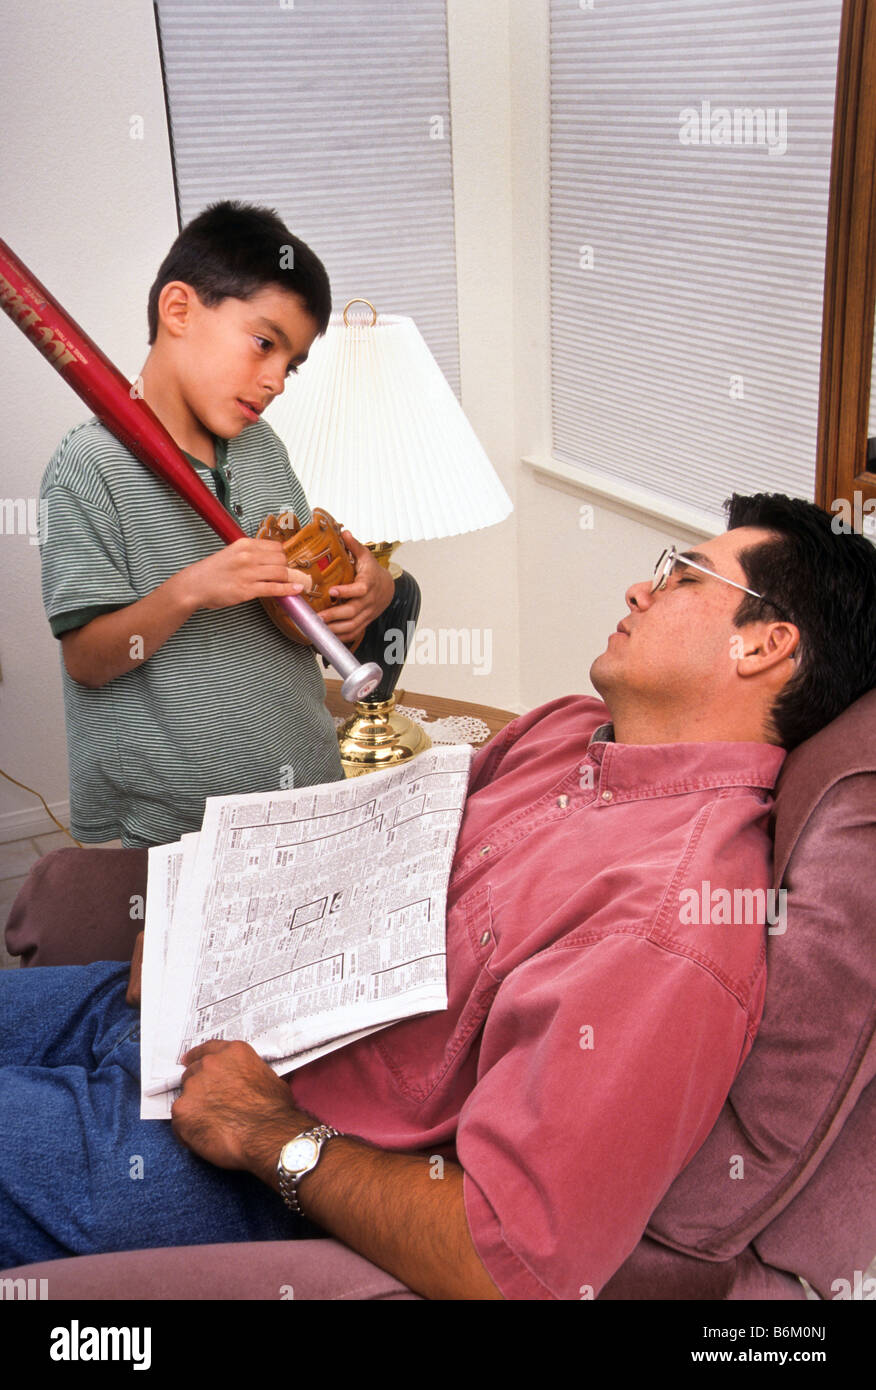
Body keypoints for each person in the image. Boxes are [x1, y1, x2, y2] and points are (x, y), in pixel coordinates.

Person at [3, 495, 875, 1299]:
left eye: (683, 576)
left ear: (763, 645)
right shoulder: (564, 730)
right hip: (169, 1016)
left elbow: (518, 1260)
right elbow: (370, 846)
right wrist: (194, 935)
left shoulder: (671, 922)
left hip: (207, 1146)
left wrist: (270, 1133)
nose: (638, 589)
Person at [38, 201, 394, 847]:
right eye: (264, 343)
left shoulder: (263, 450)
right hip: (166, 832)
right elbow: (87, 661)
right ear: (179, 311)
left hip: (304, 790)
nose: (277, 381)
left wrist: (367, 591)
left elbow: (294, 604)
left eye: (290, 364)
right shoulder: (88, 467)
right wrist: (194, 589)